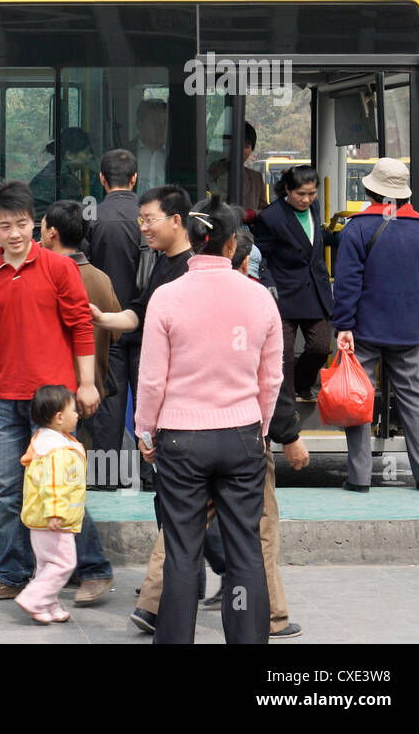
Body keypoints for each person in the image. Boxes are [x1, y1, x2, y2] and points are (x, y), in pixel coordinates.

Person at [129, 223, 307, 640]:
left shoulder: (167, 296)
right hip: (242, 434)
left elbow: (153, 377)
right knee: (246, 550)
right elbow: (271, 376)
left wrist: (145, 430)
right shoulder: (258, 295)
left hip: (180, 438)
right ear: (232, 245)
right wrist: (261, 428)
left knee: (182, 553)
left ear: (192, 241)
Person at [0, 181, 114, 606]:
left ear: (37, 224)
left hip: (55, 400)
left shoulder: (59, 268)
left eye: (23, 224)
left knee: (60, 489)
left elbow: (82, 328)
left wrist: (86, 384)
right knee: (9, 492)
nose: (15, 233)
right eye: (5, 225)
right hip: (8, 399)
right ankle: (12, 574)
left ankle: (95, 570)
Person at [332, 158, 419, 494]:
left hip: (364, 330)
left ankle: (360, 477)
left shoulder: (357, 228)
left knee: (358, 397)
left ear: (370, 190)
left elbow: (348, 282)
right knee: (413, 396)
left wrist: (344, 325)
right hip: (407, 330)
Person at [90, 185, 196, 490]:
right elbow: (141, 310)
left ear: (176, 220)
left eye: (150, 220)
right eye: (142, 221)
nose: (144, 228)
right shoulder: (161, 259)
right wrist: (103, 318)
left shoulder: (189, 268)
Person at [41, 200, 121, 461]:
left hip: (51, 390)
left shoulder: (42, 277)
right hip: (91, 387)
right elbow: (115, 331)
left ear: (52, 232)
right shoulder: (101, 278)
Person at [254, 164, 333, 412]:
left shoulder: (314, 208)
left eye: (312, 193)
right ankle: (286, 411)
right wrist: (269, 286)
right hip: (284, 295)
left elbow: (315, 241)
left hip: (316, 293)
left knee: (321, 347)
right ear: (287, 189)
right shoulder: (271, 217)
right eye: (301, 194)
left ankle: (303, 383)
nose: (307, 199)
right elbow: (261, 256)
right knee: (284, 356)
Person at [85, 148, 142, 481]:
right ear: (134, 178)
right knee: (150, 400)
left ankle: (104, 476)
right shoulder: (150, 218)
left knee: (109, 400)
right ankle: (151, 475)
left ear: (102, 179)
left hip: (105, 323)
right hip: (146, 323)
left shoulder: (93, 217)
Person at [15, 385, 87, 624]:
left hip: (42, 518)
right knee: (64, 563)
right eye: (73, 410)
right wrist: (56, 512)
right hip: (54, 519)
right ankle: (33, 598)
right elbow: (53, 484)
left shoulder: (47, 443)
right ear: (59, 418)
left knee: (47, 565)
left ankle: (48, 604)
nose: (77, 414)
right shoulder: (56, 450)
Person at [29, 126, 96, 217]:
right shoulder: (62, 178)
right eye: (87, 152)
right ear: (69, 155)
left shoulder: (56, 171)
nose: (91, 156)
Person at [127, 99, 168, 189]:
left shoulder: (175, 156)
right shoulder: (124, 153)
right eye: (154, 122)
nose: (161, 128)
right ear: (139, 124)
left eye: (165, 123)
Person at [240, 122, 266, 218]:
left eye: (247, 146)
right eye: (238, 144)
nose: (242, 151)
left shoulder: (256, 178)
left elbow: (264, 210)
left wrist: (253, 213)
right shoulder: (214, 173)